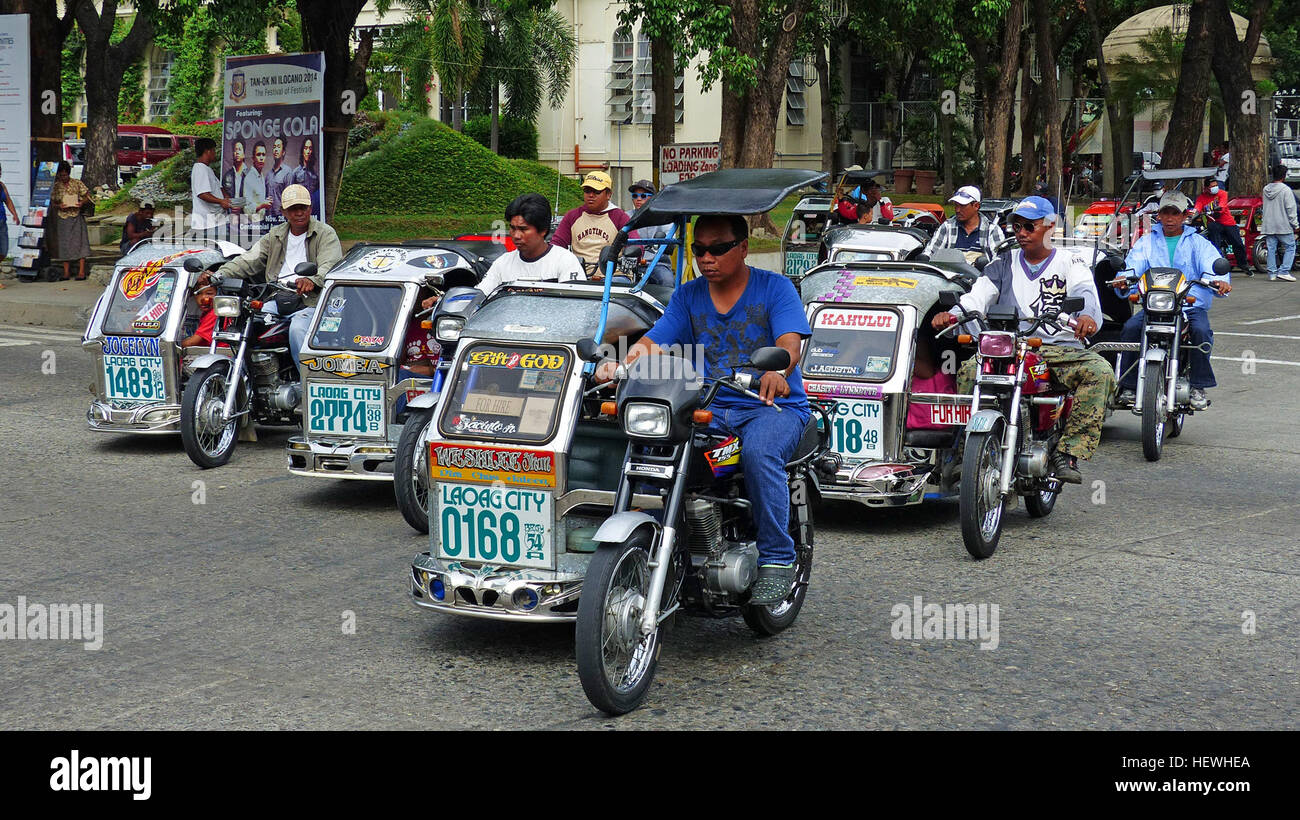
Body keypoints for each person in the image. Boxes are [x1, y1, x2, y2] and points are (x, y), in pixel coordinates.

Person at [593, 214, 812, 606]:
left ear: (743, 248)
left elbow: (789, 342)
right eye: (699, 250)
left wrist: (778, 370)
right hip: (708, 406)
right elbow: (655, 341)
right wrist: (620, 365)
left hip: (771, 406)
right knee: (653, 447)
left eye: (718, 249)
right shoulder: (688, 295)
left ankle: (778, 558)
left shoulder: (775, 288)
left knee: (760, 453)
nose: (706, 258)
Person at [931, 196, 1114, 484]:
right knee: (968, 371)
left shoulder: (1071, 260)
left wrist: (1087, 316)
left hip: (1059, 348)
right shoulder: (1003, 262)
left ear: (1050, 227)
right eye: (1016, 226)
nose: (1022, 233)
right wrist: (953, 313)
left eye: (1030, 226)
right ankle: (963, 449)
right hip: (1011, 347)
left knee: (1100, 372)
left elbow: (1085, 290)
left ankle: (1067, 452)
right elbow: (977, 295)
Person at [1114, 191, 1230, 411]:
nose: (1169, 218)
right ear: (1159, 215)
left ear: (1184, 215)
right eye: (1165, 212)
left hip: (1189, 305)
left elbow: (1212, 263)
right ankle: (1128, 385)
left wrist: (1219, 280)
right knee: (1130, 328)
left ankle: (1198, 385)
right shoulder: (1146, 242)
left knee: (1201, 332)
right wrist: (1124, 277)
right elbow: (1134, 263)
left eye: (1175, 213)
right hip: (1155, 304)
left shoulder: (1198, 242)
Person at [209, 184, 341, 362]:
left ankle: (306, 384)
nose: (299, 213)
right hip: (276, 297)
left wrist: (312, 280)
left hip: (310, 301)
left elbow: (330, 264)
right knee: (247, 322)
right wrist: (220, 274)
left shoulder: (325, 234)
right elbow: (249, 259)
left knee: (298, 330)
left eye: (303, 208)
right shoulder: (275, 235)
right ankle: (250, 377)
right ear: (283, 212)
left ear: (310, 209)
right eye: (293, 209)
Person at [473, 193, 586, 295]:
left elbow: (576, 305)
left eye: (523, 229)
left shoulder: (565, 261)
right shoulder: (502, 263)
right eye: (513, 228)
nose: (516, 235)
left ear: (543, 230)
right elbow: (479, 295)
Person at [550, 170, 630, 270]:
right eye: (587, 191)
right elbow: (557, 245)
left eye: (596, 191)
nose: (591, 195)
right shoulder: (572, 216)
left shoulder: (620, 217)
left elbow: (635, 245)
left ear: (608, 194)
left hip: (613, 274)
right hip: (578, 274)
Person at [922, 185, 1007, 259]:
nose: (957, 210)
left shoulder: (992, 230)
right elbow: (930, 253)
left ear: (976, 206)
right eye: (956, 205)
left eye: (962, 206)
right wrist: (925, 258)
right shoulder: (947, 227)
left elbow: (1000, 261)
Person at [1194, 176, 1250, 275]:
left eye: (1216, 185)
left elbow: (1223, 205)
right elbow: (1197, 207)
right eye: (1212, 186)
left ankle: (1243, 264)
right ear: (1206, 188)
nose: (1215, 187)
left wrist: (1219, 209)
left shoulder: (1222, 193)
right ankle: (1217, 259)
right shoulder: (1202, 197)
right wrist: (1194, 212)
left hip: (1228, 222)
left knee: (1237, 243)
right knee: (1213, 239)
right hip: (1213, 223)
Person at [624, 178, 674, 286]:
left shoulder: (664, 217)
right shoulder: (626, 217)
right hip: (630, 264)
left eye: (643, 196)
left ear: (653, 198)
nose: (638, 199)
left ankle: (667, 303)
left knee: (667, 281)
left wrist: (665, 243)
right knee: (617, 283)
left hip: (657, 263)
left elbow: (670, 237)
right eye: (635, 196)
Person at [49, 161, 92, 280]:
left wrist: (81, 203)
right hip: (62, 217)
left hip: (76, 215)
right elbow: (52, 201)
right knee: (64, 244)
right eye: (61, 175)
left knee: (80, 242)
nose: (63, 177)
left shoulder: (77, 183)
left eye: (65, 175)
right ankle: (66, 272)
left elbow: (88, 196)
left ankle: (81, 271)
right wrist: (59, 206)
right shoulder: (57, 186)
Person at [1261, 164, 1299, 282]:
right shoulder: (1286, 190)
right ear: (1284, 176)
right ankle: (1284, 271)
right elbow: (1291, 209)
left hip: (1269, 224)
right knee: (1290, 246)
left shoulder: (1266, 189)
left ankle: (1272, 273)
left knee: (1271, 248)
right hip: (1283, 224)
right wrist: (1296, 225)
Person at [190, 137, 230, 240]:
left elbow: (219, 187)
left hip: (216, 221)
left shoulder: (207, 169)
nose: (215, 154)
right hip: (207, 224)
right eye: (213, 150)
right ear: (208, 151)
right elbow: (202, 194)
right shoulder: (200, 169)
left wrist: (226, 198)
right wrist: (221, 201)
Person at [264, 137, 294, 221]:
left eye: (278, 147)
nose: (275, 150)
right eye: (274, 147)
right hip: (268, 218)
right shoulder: (268, 174)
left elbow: (289, 198)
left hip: (281, 218)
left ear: (283, 152)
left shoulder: (288, 172)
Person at [291, 138, 319, 215]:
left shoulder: (315, 175)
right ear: (302, 151)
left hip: (312, 211)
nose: (308, 152)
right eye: (305, 148)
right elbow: (291, 193)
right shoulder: (295, 172)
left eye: (310, 148)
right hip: (299, 211)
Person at [0, 163, 20, 261]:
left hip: (2, 221)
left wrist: (15, 214)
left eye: (0, 171)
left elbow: (8, 200)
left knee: (3, 251)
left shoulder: (1, 185)